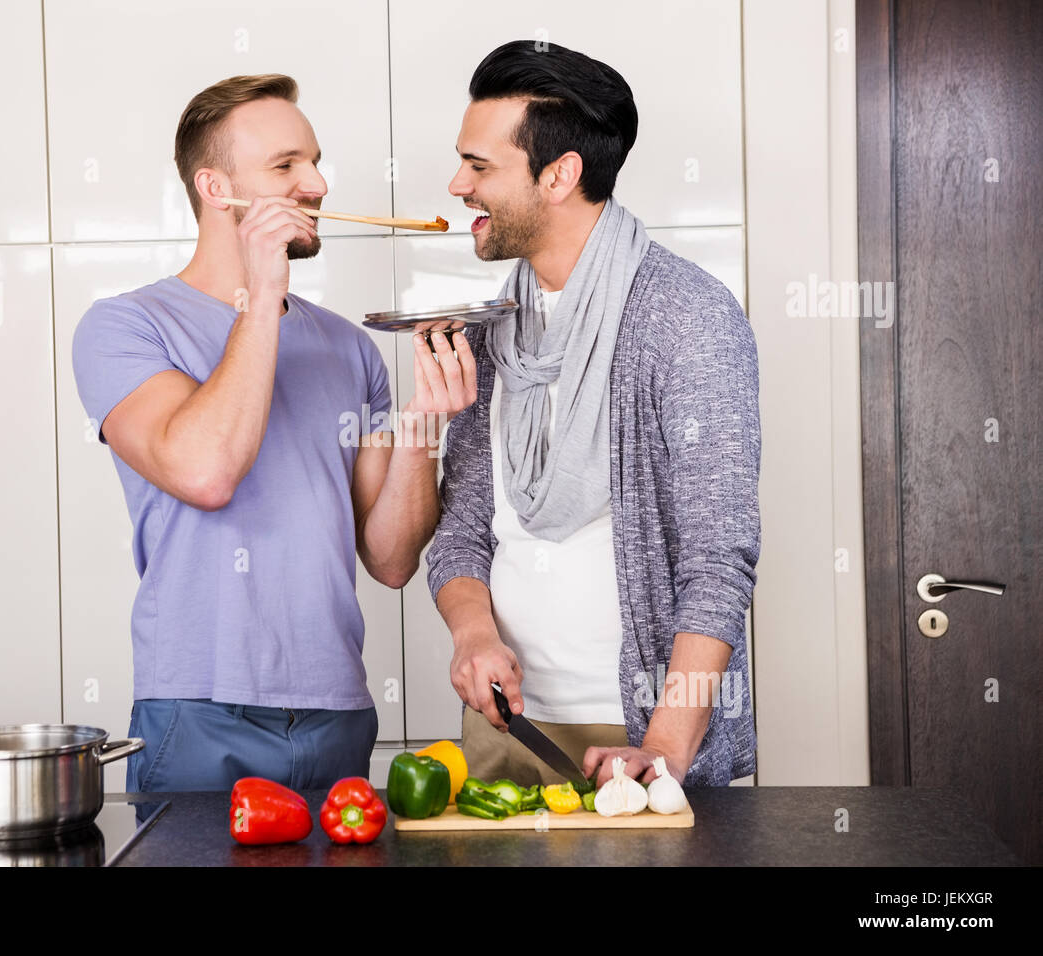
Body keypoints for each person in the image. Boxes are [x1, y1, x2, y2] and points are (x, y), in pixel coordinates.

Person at [71, 73, 476, 798]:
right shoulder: (124, 327)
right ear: (216, 189)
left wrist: (422, 427)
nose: (316, 184)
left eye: (315, 161)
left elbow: (388, 559)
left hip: (339, 711)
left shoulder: (349, 349)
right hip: (197, 707)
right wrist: (263, 297)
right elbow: (205, 472)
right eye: (286, 166)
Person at [426, 41, 761, 790]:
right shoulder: (490, 328)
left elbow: (718, 557)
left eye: (479, 167)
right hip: (507, 730)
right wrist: (474, 635)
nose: (457, 184)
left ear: (560, 175)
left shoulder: (686, 318)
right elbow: (462, 530)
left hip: (641, 737)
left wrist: (665, 749)